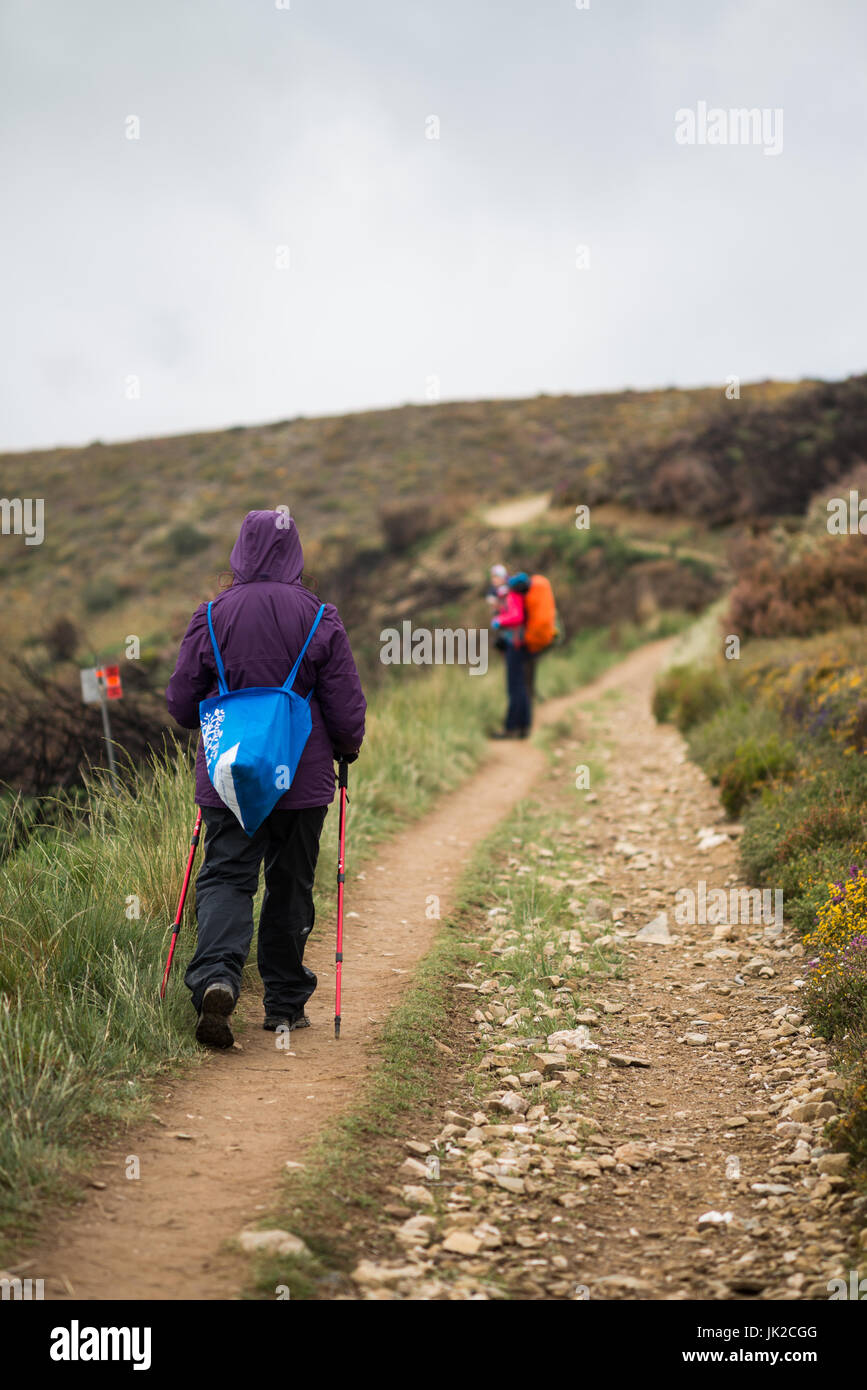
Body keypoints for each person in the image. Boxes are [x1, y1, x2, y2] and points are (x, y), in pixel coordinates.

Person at [166, 510, 366, 1048]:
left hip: (231, 776)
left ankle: (217, 978)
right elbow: (345, 707)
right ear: (294, 552)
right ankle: (282, 1005)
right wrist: (346, 749)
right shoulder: (321, 616)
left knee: (228, 877)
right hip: (301, 783)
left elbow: (183, 705)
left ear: (240, 550)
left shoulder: (210, 615)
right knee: (290, 884)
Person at [490, 577, 530, 738]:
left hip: (514, 645)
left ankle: (511, 728)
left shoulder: (512, 596)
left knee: (514, 687)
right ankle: (523, 726)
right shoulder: (519, 596)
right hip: (519, 644)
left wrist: (499, 620)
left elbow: (517, 617)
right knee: (520, 686)